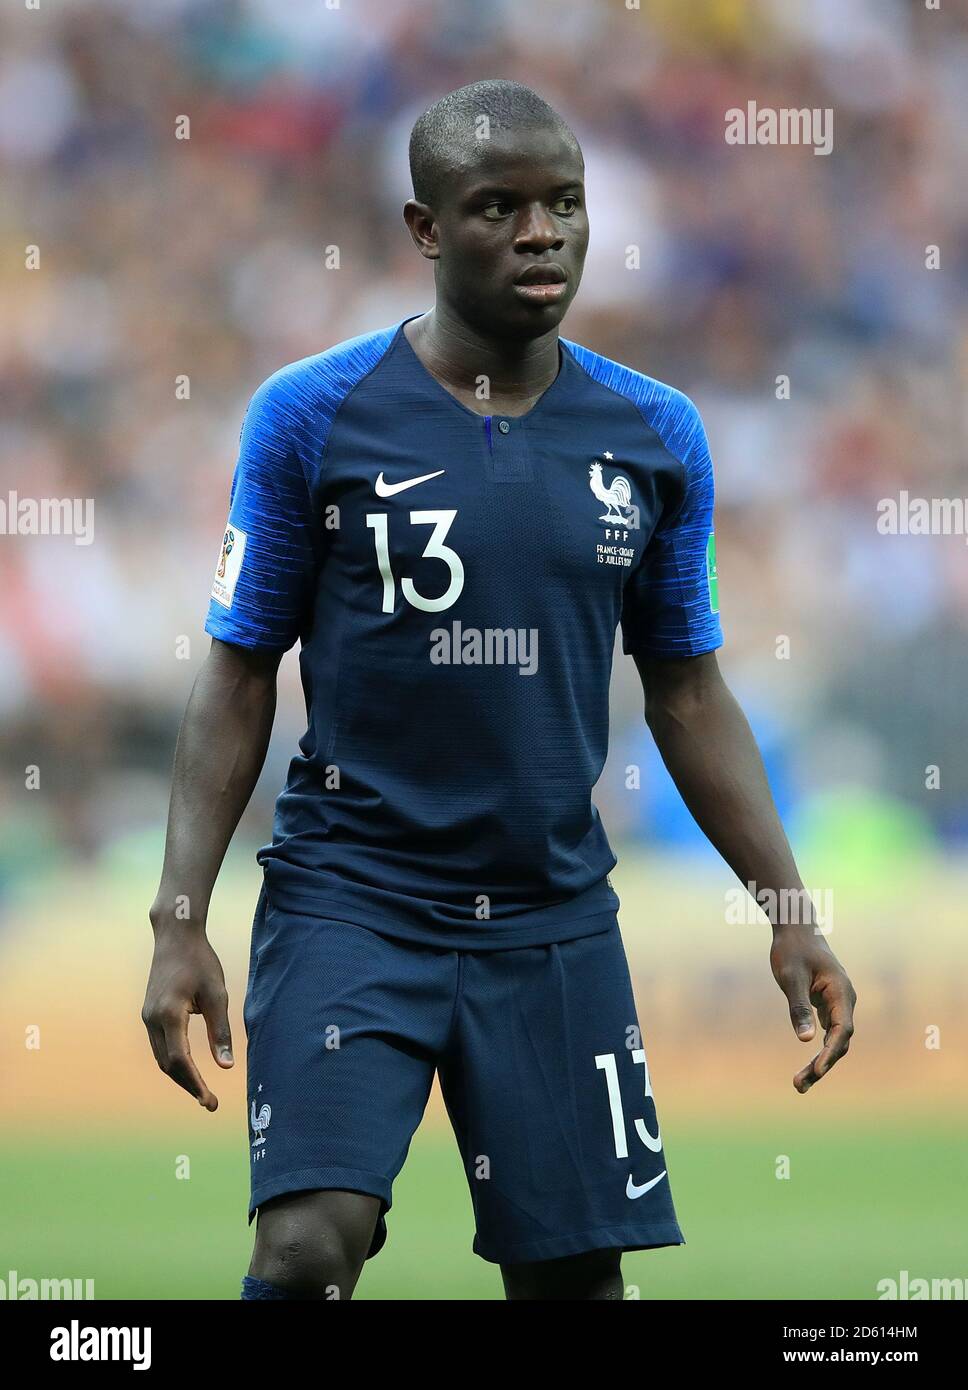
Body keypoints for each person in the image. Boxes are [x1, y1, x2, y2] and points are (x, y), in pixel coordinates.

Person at [142, 79, 856, 1302]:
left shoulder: (654, 434)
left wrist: (786, 902)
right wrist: (177, 920)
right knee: (308, 1244)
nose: (543, 233)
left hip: (551, 916)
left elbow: (686, 693)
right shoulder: (311, 416)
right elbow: (238, 669)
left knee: (574, 1282)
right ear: (424, 229)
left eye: (564, 204)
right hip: (349, 897)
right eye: (499, 207)